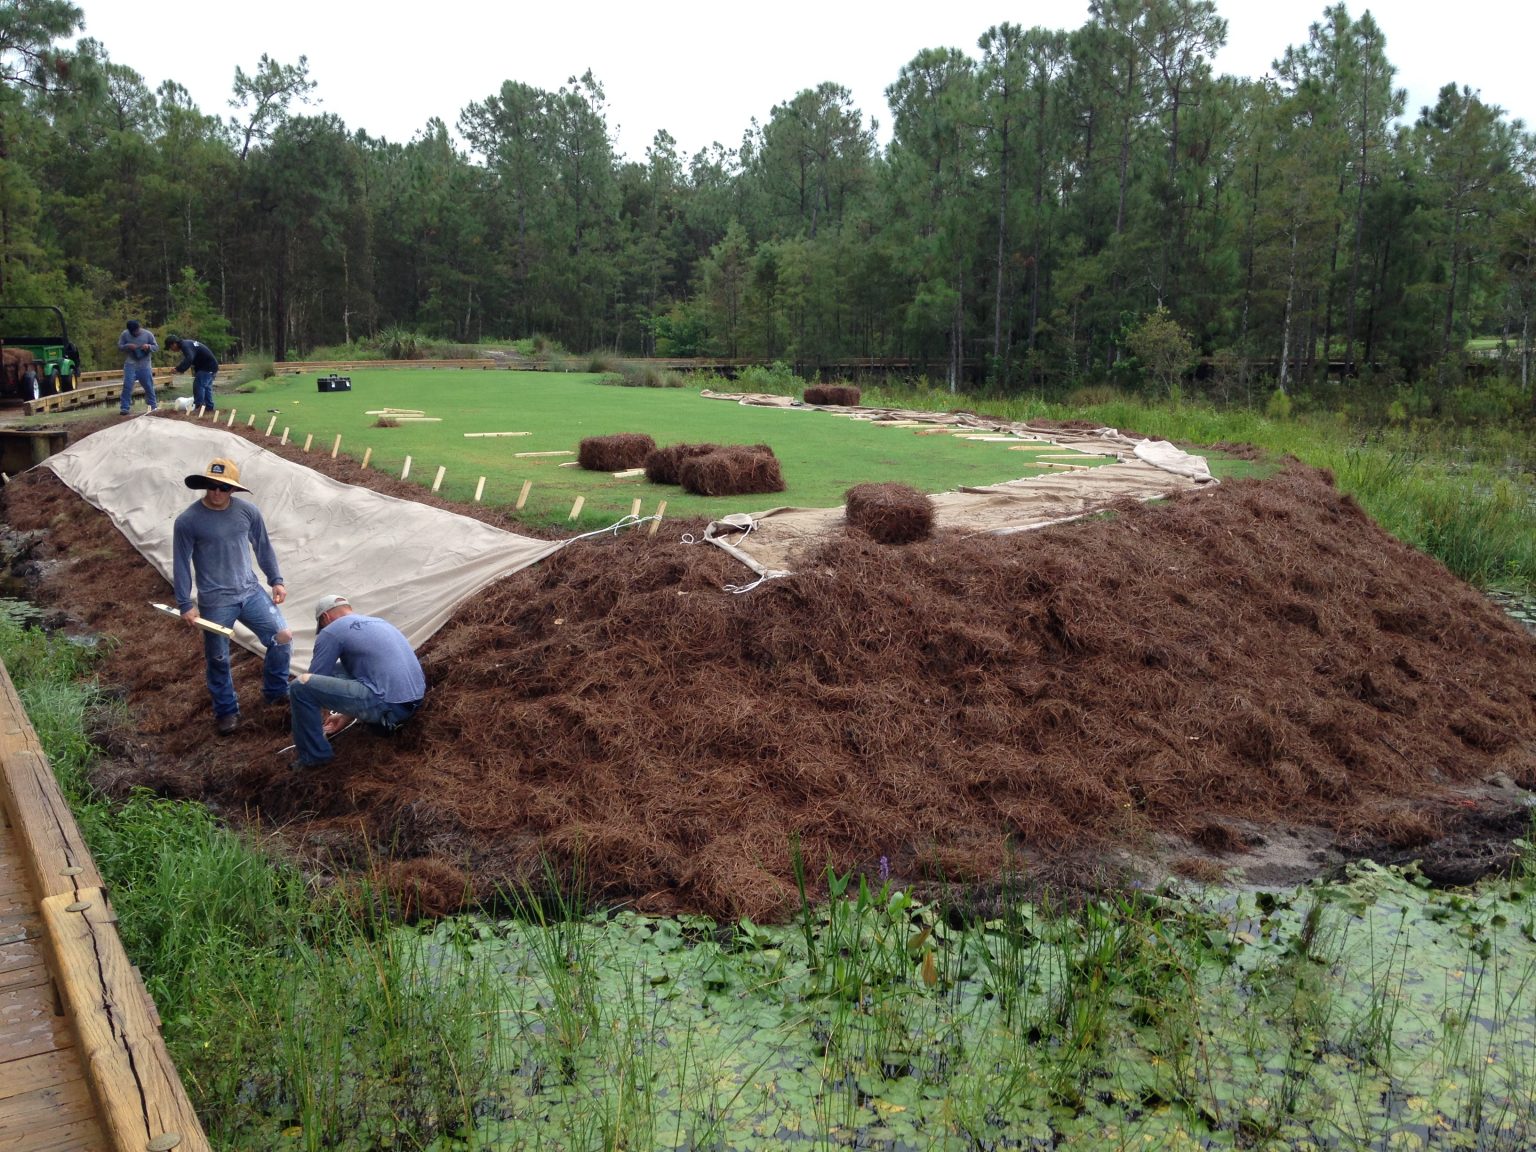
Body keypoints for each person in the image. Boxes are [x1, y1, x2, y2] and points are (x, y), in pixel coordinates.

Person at [172, 457, 292, 735]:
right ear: (205, 485)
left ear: (233, 490)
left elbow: (263, 548)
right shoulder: (188, 521)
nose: (217, 493)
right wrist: (185, 604)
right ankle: (226, 711)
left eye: (223, 488)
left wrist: (276, 580)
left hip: (250, 592)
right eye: (212, 486)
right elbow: (181, 563)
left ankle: (276, 691)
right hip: (215, 601)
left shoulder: (247, 513)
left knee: (282, 636)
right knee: (218, 658)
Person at [288, 594, 426, 770]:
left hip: (388, 709)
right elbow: (372, 674)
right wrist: (345, 715)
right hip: (412, 701)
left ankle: (314, 756)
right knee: (339, 669)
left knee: (300, 687)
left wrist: (308, 712)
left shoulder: (331, 630)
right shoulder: (379, 622)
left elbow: (315, 677)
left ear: (325, 618)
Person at [166, 335, 220, 411]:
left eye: (170, 347)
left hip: (207, 367)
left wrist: (179, 369)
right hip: (211, 366)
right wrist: (181, 369)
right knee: (206, 387)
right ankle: (209, 408)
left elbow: (189, 358)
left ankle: (199, 407)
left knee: (198, 385)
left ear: (174, 344)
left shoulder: (185, 346)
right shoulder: (187, 344)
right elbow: (193, 358)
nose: (171, 350)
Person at [117, 319, 159, 414]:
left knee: (148, 385)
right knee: (127, 385)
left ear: (139, 328)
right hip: (130, 364)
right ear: (129, 331)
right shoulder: (125, 334)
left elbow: (156, 347)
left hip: (145, 364)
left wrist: (148, 346)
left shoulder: (148, 334)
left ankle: (153, 405)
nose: (136, 333)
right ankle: (125, 407)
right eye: (133, 332)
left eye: (137, 331)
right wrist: (127, 346)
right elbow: (119, 346)